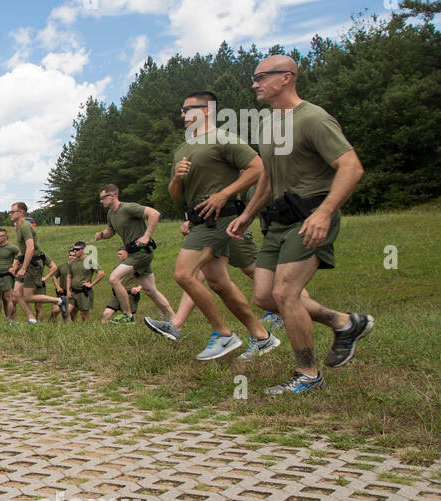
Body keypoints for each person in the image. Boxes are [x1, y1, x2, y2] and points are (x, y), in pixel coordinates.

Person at [227, 55, 372, 395]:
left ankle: (308, 374)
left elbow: (351, 167)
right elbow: (268, 177)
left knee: (286, 293)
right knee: (265, 295)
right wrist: (248, 213)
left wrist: (324, 213)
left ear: (286, 78)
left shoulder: (313, 119)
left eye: (262, 77)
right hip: (278, 220)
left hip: (310, 216)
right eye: (255, 77)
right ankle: (345, 323)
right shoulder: (268, 124)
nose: (254, 83)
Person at [141, 90, 279, 360]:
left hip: (219, 216)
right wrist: (177, 178)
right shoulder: (183, 148)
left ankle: (223, 334)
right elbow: (175, 195)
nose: (182, 115)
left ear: (207, 110)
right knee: (218, 282)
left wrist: (225, 194)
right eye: (181, 110)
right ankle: (262, 336)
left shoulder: (224, 139)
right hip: (198, 218)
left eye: (187, 109)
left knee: (183, 274)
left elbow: (258, 168)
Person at [93, 185, 176, 322]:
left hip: (142, 252)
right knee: (151, 291)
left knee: (114, 278)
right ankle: (174, 319)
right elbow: (110, 231)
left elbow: (154, 214)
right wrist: (102, 235)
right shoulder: (111, 214)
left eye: (103, 198)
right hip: (133, 254)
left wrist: (146, 236)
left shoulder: (128, 208)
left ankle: (128, 315)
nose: (101, 201)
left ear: (112, 196)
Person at [8, 202, 69, 323]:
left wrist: (24, 268)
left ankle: (60, 301)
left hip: (33, 265)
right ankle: (31, 318)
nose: (10, 214)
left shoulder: (25, 226)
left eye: (13, 211)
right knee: (16, 294)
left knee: (28, 297)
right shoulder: (18, 227)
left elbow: (30, 248)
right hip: (26, 263)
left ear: (21, 213)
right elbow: (23, 249)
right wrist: (16, 264)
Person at [63, 241, 104, 322]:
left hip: (84, 292)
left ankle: (87, 331)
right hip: (73, 292)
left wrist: (91, 284)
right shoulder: (72, 262)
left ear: (83, 249)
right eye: (74, 249)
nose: (75, 251)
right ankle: (71, 330)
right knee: (66, 311)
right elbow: (69, 276)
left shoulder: (90, 260)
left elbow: (101, 273)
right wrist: (68, 290)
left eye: (77, 249)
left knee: (84, 314)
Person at [101, 247, 143, 323]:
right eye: (118, 254)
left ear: (128, 254)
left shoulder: (135, 266)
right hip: (118, 295)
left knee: (130, 318)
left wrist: (138, 288)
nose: (118, 256)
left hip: (130, 294)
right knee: (106, 314)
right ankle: (104, 332)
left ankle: (132, 332)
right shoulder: (117, 267)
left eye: (120, 254)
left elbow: (144, 279)